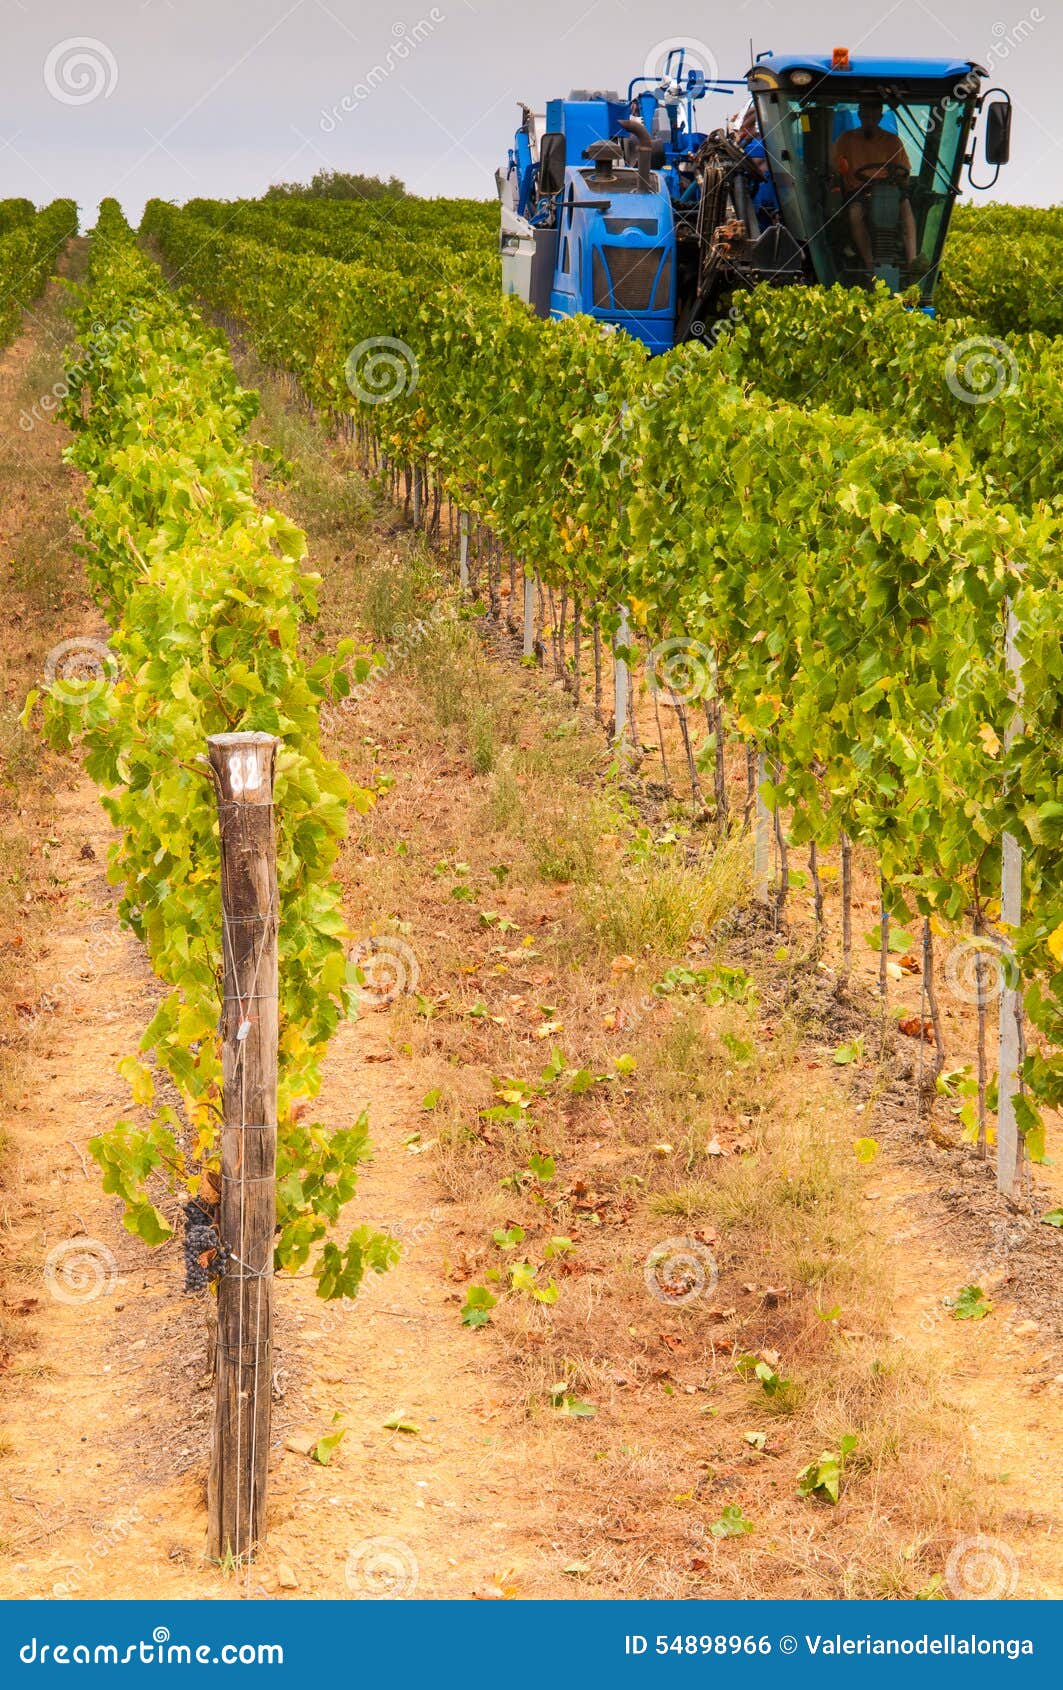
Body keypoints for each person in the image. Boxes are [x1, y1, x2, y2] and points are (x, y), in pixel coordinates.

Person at [834, 95, 919, 272]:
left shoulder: (892, 141)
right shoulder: (846, 139)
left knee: (905, 205)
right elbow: (835, 167)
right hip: (858, 190)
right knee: (855, 213)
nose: (869, 122)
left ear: (880, 117)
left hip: (888, 188)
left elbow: (904, 171)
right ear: (859, 116)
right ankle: (870, 264)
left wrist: (899, 178)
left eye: (873, 118)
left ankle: (913, 261)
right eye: (865, 117)